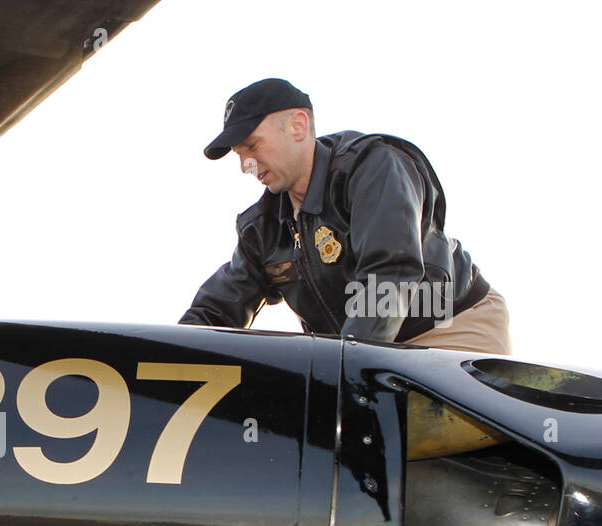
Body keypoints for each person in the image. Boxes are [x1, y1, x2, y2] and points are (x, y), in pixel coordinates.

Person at [180, 78, 510, 354]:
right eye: (239, 155)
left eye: (252, 146)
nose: (245, 166)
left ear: (298, 126)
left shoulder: (372, 169)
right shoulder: (263, 228)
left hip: (448, 327)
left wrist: (346, 365)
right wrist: (163, 358)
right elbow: (217, 309)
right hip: (356, 349)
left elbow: (390, 273)